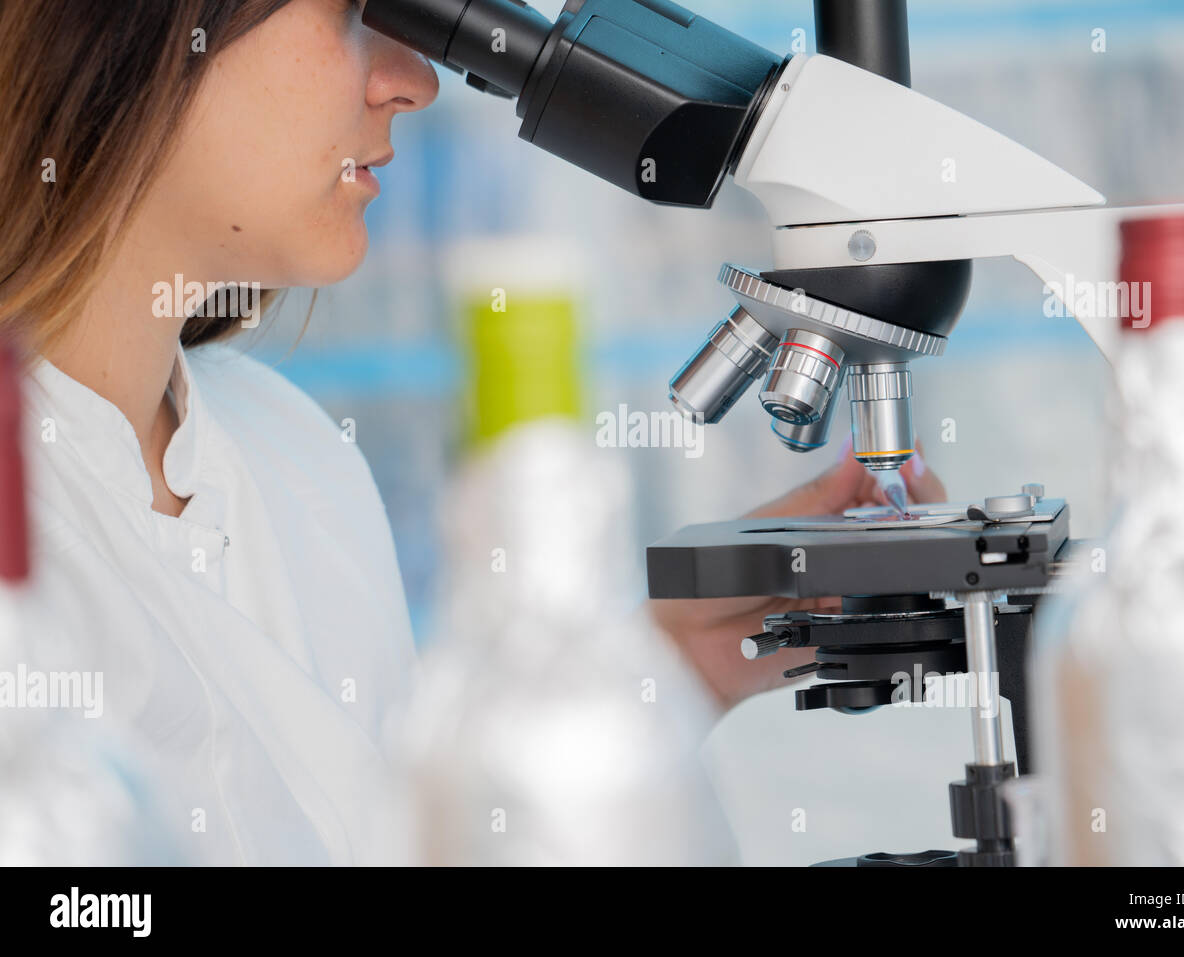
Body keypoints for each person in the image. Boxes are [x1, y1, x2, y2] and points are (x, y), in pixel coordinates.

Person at [0, 0, 943, 864]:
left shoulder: (290, 448)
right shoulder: (29, 548)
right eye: (354, 10)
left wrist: (645, 678)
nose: (412, 81)